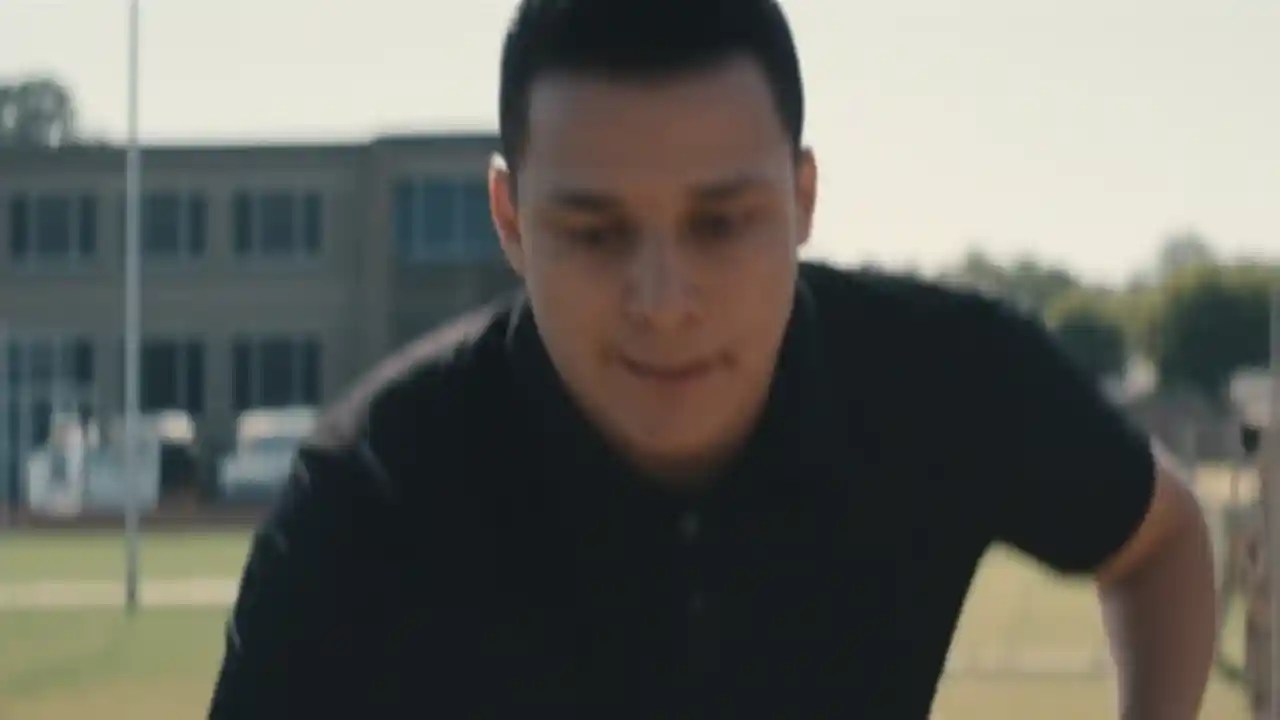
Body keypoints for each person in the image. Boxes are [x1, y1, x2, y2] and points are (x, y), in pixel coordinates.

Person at [209, 0, 1217, 717]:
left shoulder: (944, 378)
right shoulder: (366, 498)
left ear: (802, 198)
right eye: (595, 232)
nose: (663, 303)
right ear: (509, 220)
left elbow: (1156, 542)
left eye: (722, 222)